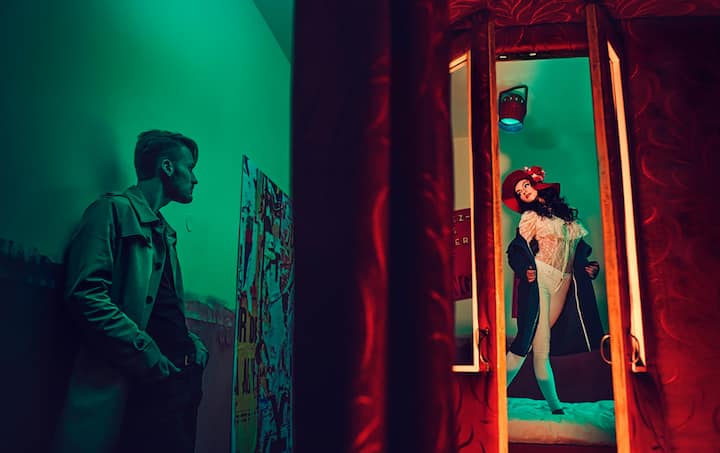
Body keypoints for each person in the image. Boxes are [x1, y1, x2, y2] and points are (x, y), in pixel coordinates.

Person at [53, 130, 209, 453]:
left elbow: (163, 307)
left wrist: (192, 343)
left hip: (179, 382)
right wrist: (147, 352)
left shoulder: (165, 232)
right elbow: (85, 294)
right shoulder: (110, 211)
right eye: (190, 167)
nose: (195, 179)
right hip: (141, 385)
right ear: (167, 167)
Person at [502, 166, 604, 415]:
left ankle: (555, 407)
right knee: (525, 342)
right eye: (519, 192)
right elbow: (515, 250)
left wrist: (590, 267)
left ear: (536, 185)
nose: (523, 192)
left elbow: (578, 252)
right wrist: (525, 268)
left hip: (564, 283)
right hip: (541, 278)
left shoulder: (568, 220)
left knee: (541, 347)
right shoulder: (530, 218)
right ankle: (492, 394)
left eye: (525, 186)